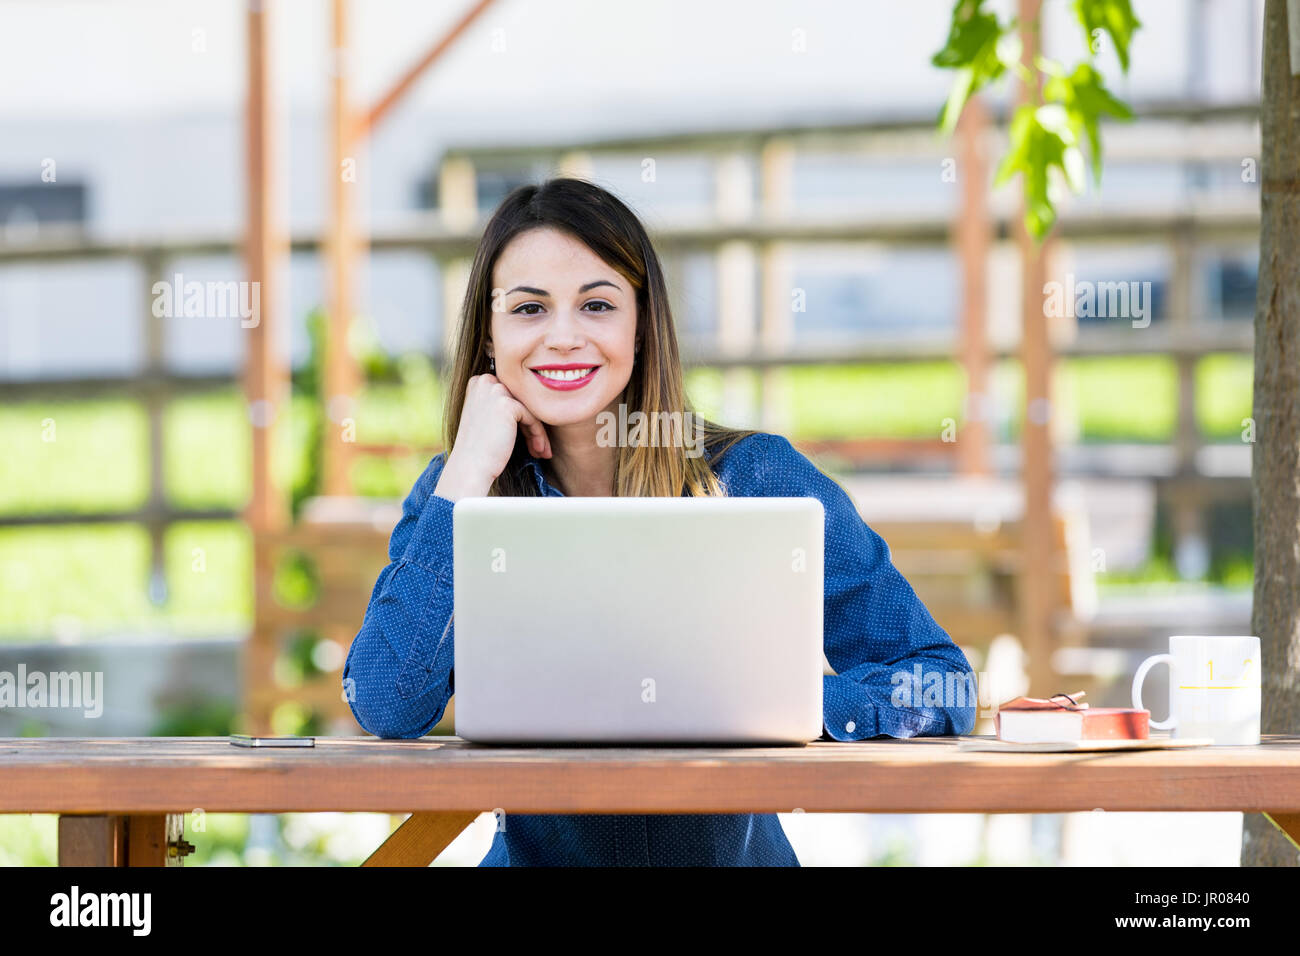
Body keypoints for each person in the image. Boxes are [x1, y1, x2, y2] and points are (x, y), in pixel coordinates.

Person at [342, 177, 977, 866]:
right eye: (529, 308)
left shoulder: (754, 478)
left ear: (639, 327)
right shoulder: (455, 496)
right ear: (489, 339)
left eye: (596, 304)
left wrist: (792, 709)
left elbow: (940, 681)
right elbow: (384, 701)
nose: (563, 336)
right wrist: (465, 477)